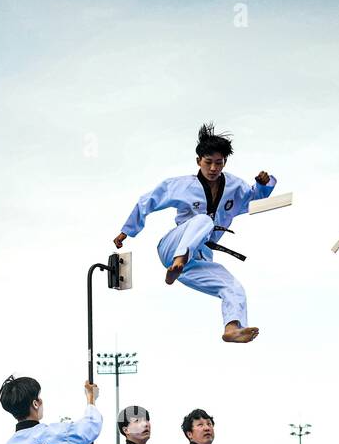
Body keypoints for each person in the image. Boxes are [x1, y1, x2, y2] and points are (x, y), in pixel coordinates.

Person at [112, 123, 275, 344]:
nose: (213, 168)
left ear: (224, 163)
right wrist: (127, 231)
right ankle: (179, 260)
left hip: (196, 260)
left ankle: (232, 327)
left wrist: (263, 186)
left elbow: (254, 201)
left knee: (232, 286)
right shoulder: (182, 185)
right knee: (203, 220)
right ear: (198, 161)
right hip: (172, 247)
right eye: (208, 162)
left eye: (219, 163)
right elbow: (148, 201)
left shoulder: (235, 186)